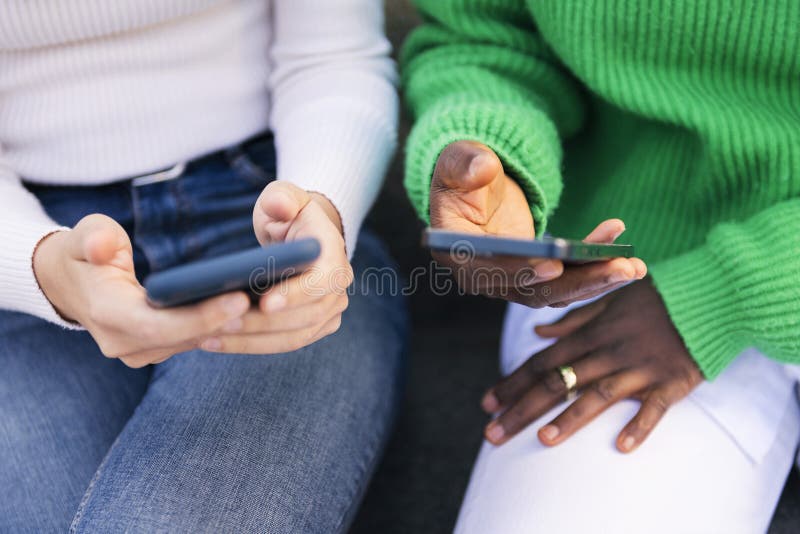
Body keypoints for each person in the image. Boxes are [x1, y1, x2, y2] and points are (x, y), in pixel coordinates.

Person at [0, 2, 406, 532]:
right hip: (31, 248)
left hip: (267, 206)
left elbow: (334, 56)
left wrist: (323, 204)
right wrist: (41, 267)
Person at [402, 0, 800, 532]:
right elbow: (483, 35)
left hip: (713, 290)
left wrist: (724, 295)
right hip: (620, 287)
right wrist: (493, 157)